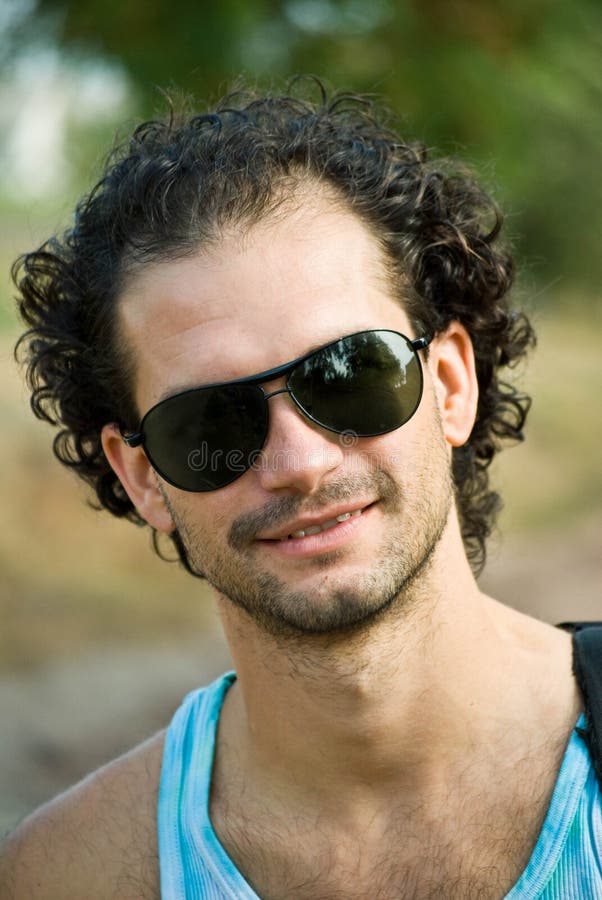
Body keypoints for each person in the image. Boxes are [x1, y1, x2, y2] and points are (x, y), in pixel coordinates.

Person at [1, 82, 600, 899]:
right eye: (211, 420)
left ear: (451, 385)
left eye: (351, 373)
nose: (300, 462)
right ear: (141, 475)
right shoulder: (71, 877)